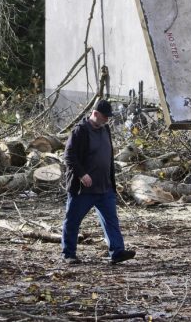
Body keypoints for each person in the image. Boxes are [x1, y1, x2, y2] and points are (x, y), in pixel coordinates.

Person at [61, 99, 136, 264]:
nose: (107, 120)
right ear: (95, 114)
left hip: (105, 187)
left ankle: (117, 252)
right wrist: (82, 174)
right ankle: (68, 254)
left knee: (111, 221)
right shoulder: (79, 131)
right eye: (105, 117)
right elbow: (69, 156)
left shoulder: (105, 129)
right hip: (83, 189)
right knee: (72, 220)